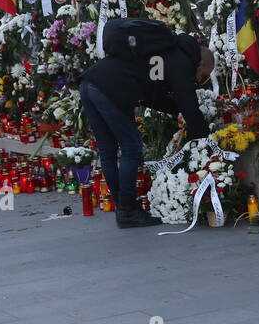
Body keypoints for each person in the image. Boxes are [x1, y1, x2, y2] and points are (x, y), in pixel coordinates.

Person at [80, 20, 214, 228]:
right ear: (201, 64)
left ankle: (124, 209)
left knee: (107, 150)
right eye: (204, 76)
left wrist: (176, 110)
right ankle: (127, 211)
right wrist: (205, 140)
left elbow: (154, 97)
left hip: (90, 83)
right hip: (110, 89)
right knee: (131, 148)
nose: (200, 80)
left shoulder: (167, 52)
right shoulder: (182, 61)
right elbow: (189, 105)